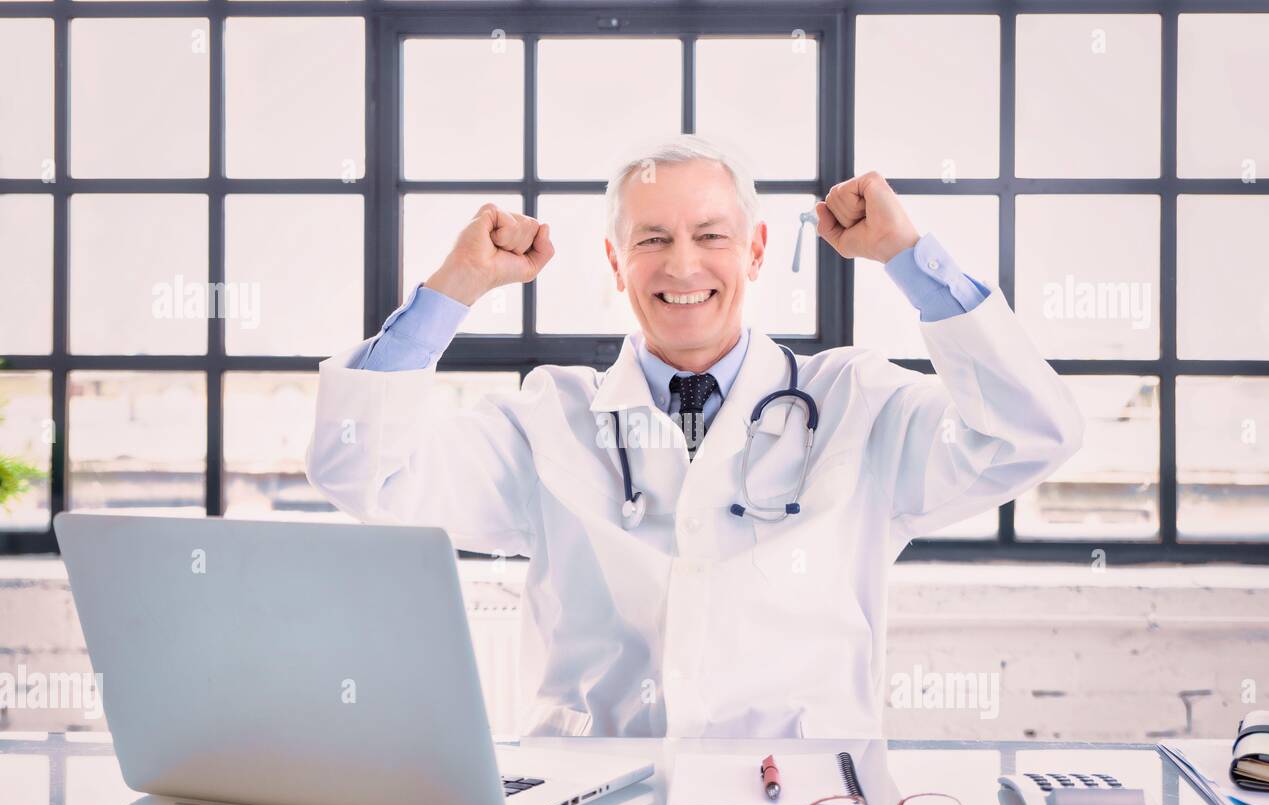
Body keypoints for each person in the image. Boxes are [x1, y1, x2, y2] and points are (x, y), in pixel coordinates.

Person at [305, 134, 1084, 738]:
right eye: (651, 239)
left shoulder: (854, 403)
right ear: (616, 261)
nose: (682, 266)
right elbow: (362, 469)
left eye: (712, 236)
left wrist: (913, 261)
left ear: (755, 251)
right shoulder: (550, 416)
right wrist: (455, 287)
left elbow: (1029, 432)